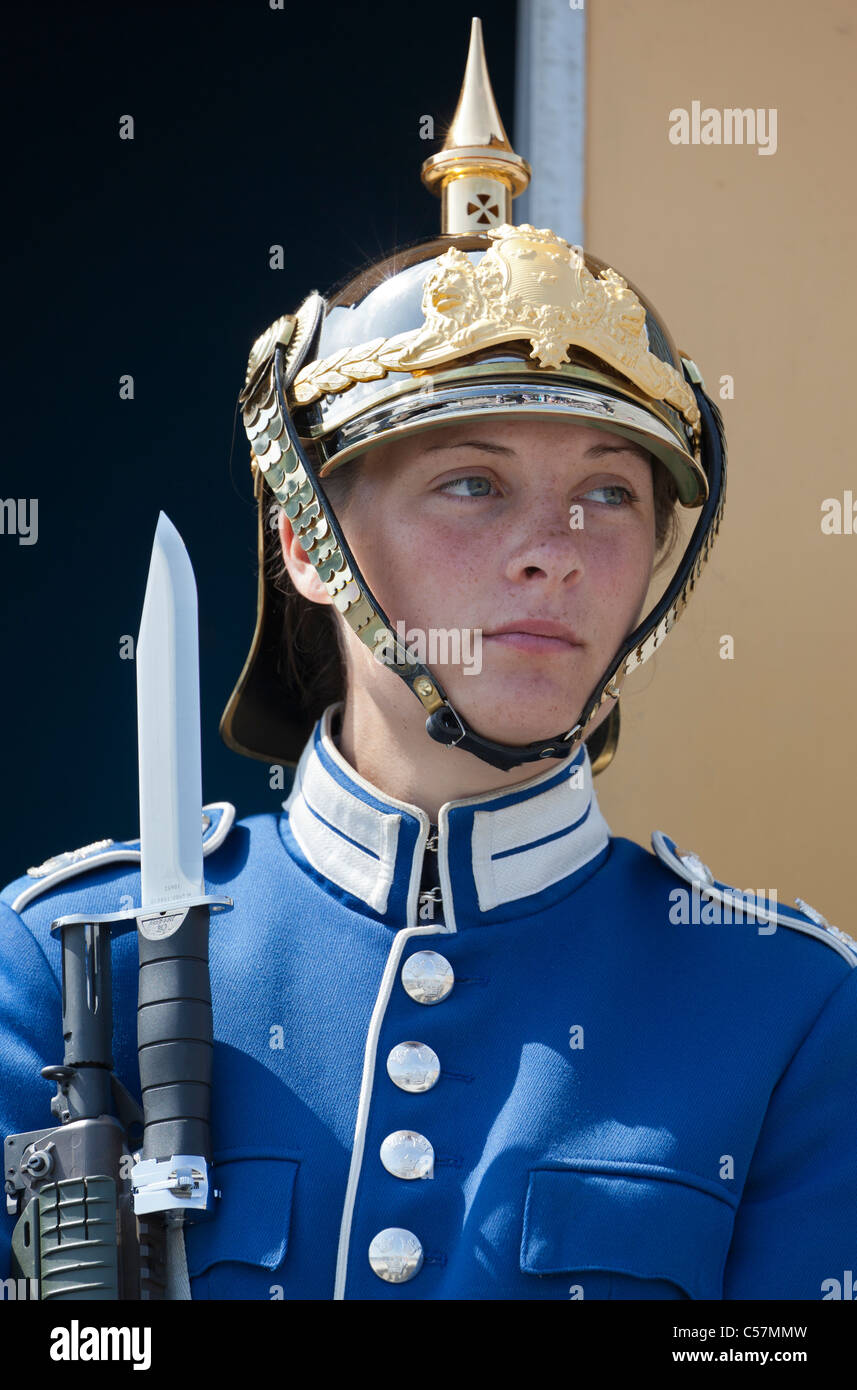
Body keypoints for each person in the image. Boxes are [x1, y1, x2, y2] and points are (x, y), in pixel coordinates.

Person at [2, 18, 855, 1302]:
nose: (553, 554)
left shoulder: (789, 1012)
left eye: (610, 496)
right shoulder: (65, 961)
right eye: (470, 483)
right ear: (304, 538)